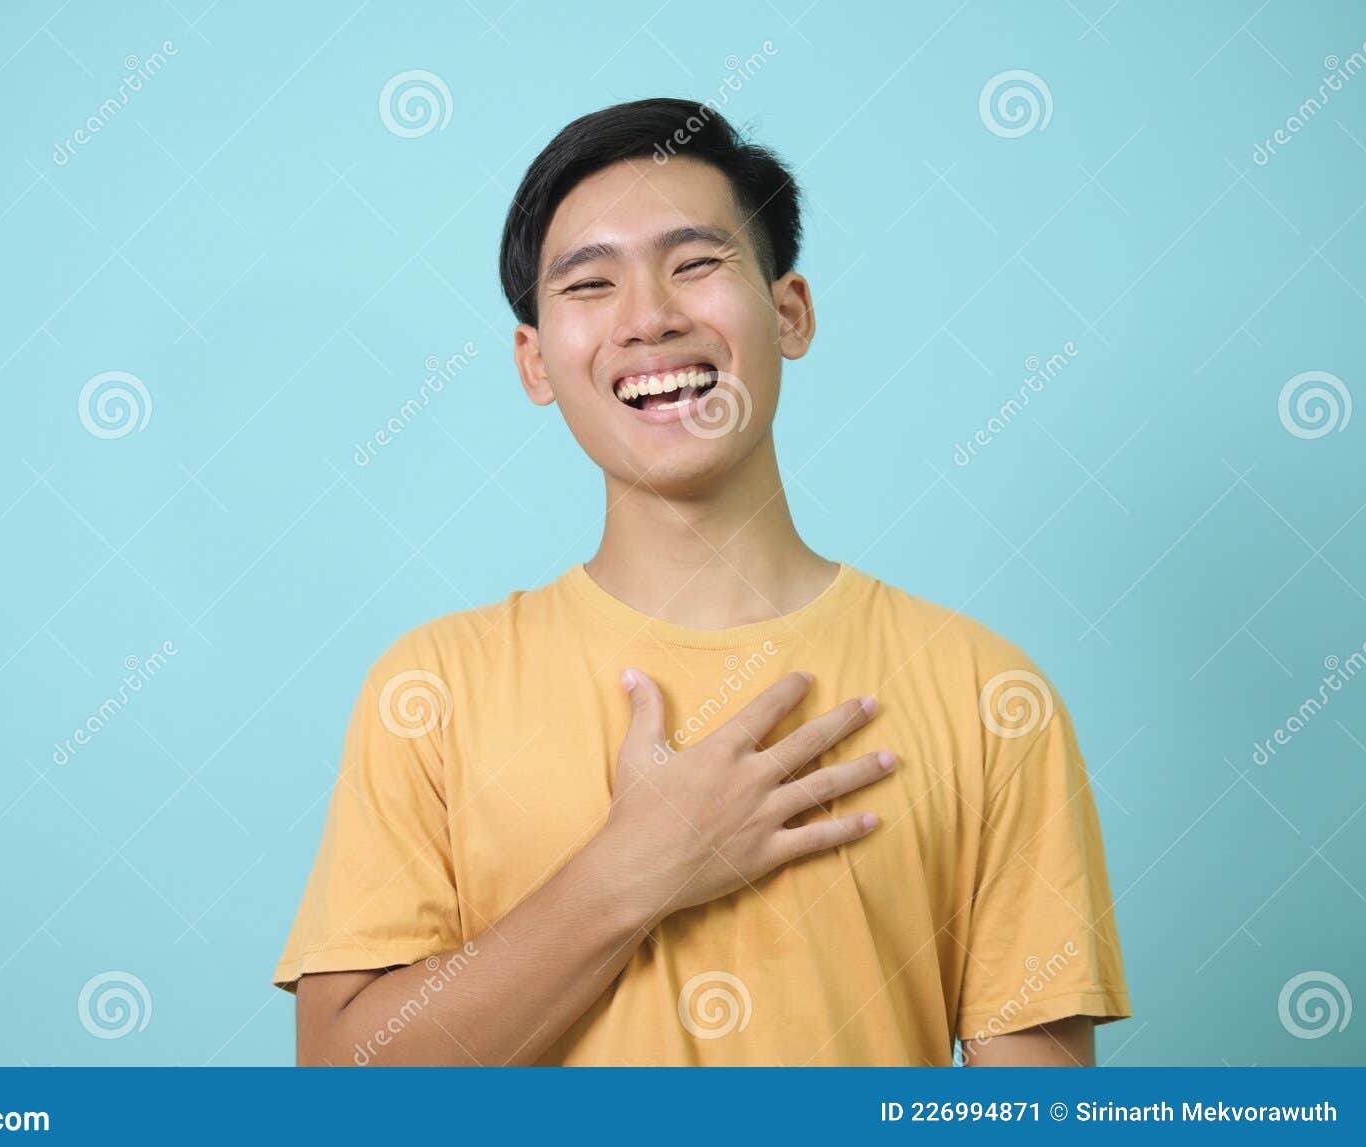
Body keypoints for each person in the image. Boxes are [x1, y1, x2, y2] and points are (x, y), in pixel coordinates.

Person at [271, 97, 1131, 1066]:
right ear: (535, 360)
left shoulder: (984, 691)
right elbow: (344, 1080)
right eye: (590, 284)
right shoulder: (429, 688)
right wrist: (632, 870)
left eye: (695, 264)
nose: (649, 317)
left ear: (788, 312)